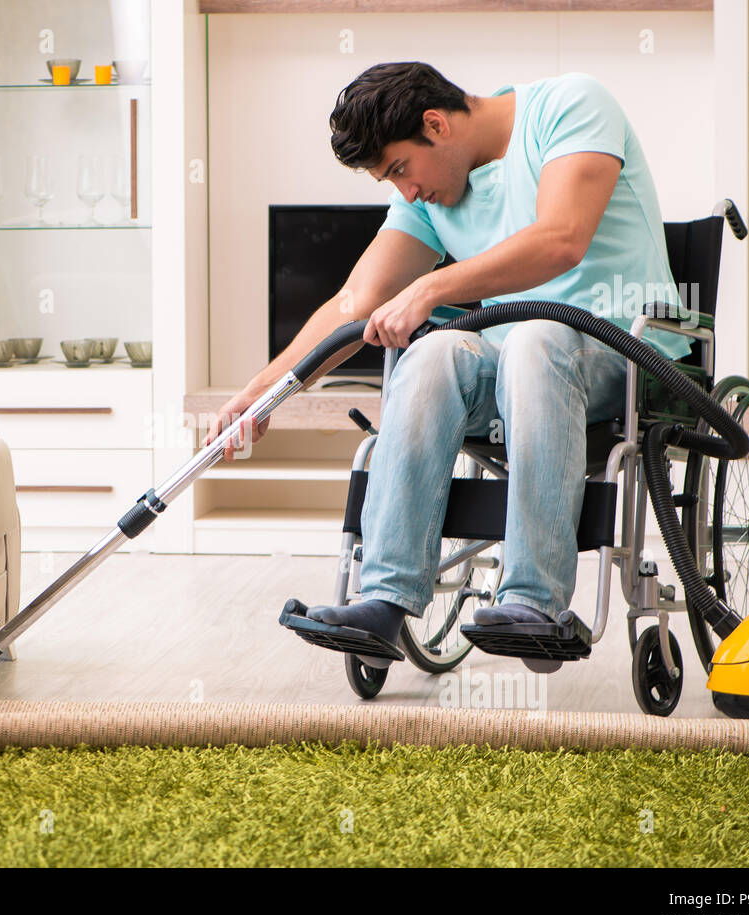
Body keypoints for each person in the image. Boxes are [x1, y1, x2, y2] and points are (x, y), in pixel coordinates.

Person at [203, 62, 685, 661]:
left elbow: (562, 237)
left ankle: (533, 603)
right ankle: (384, 600)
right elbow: (357, 302)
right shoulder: (430, 196)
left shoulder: (570, 105)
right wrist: (263, 389)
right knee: (434, 351)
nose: (405, 191)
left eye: (401, 168)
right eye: (388, 180)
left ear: (437, 124)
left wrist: (431, 289)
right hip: (517, 371)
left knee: (537, 339)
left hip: (626, 357)